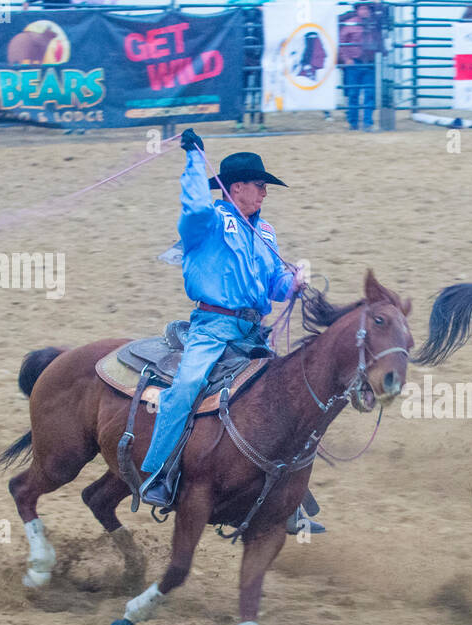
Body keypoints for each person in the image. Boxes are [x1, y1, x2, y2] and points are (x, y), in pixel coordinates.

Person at [139, 130, 325, 534]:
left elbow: (274, 283)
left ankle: (287, 499)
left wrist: (293, 283)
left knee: (290, 399)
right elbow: (193, 204)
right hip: (212, 329)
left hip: (253, 333)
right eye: (260, 186)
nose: (264, 193)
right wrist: (194, 157)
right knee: (186, 388)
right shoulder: (206, 224)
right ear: (236, 188)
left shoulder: (267, 232)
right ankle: (157, 475)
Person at [338, 2, 382, 131]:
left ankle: (368, 123)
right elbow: (341, 43)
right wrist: (346, 59)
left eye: (367, 9)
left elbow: (384, 13)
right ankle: (353, 123)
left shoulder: (374, 24)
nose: (364, 11)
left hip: (369, 63)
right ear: (357, 10)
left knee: (369, 93)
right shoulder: (350, 23)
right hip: (354, 63)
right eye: (362, 8)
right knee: (353, 93)